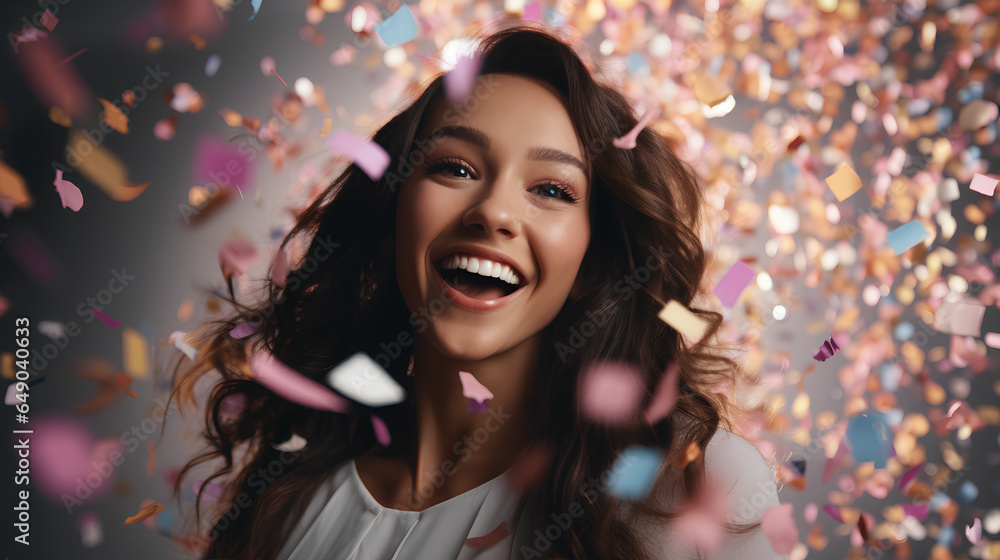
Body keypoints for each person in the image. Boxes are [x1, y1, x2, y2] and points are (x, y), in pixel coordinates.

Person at [164, 23, 785, 560]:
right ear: (393, 214)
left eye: (552, 189)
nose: (493, 211)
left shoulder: (690, 488)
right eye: (455, 168)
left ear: (591, 258)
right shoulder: (289, 492)